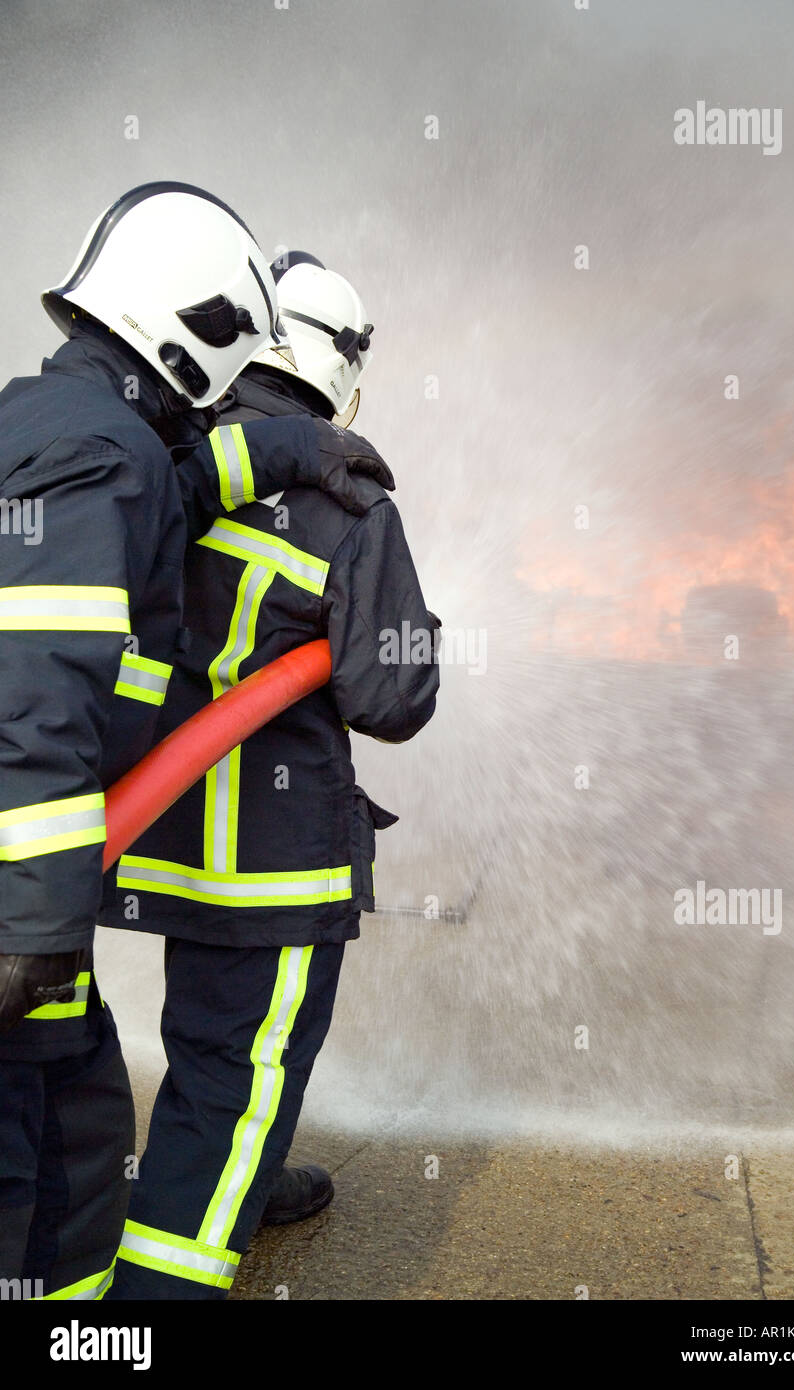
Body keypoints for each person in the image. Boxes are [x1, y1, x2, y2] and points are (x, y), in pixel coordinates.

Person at [0, 185, 392, 1302]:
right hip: (22, 892)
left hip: (83, 875)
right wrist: (28, 924)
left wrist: (276, 448)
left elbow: (162, 488)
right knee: (44, 1159)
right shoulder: (102, 453)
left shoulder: (52, 420)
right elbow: (30, 693)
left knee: (77, 1127)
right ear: (199, 328)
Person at [100, 255, 440, 1300]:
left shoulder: (162, 451)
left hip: (142, 835)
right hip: (270, 869)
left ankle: (234, 1179)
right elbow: (391, 701)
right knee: (235, 1073)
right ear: (340, 371)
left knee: (200, 1041)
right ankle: (161, 1293)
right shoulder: (346, 496)